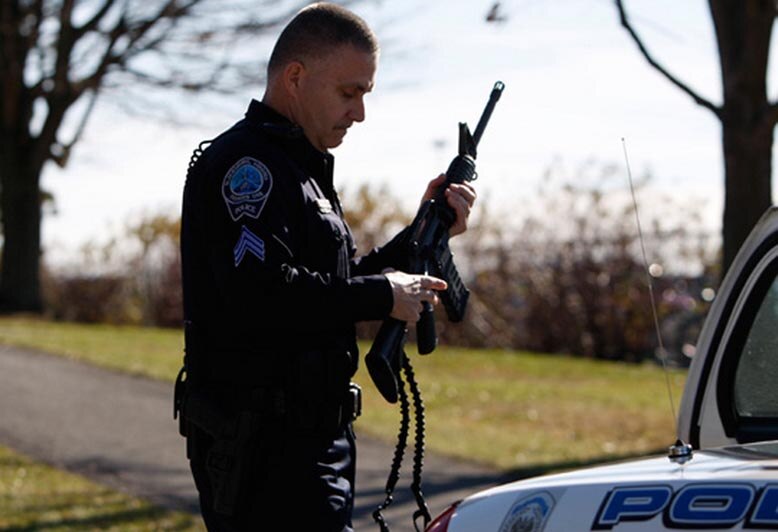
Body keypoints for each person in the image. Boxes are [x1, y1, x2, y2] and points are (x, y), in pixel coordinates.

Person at [177, 3, 476, 530]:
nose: (359, 113)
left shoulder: (300, 167)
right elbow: (261, 295)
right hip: (265, 452)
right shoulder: (248, 168)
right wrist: (384, 295)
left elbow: (335, 284)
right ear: (295, 77)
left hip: (312, 440)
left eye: (365, 94)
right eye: (348, 93)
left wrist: (421, 234)